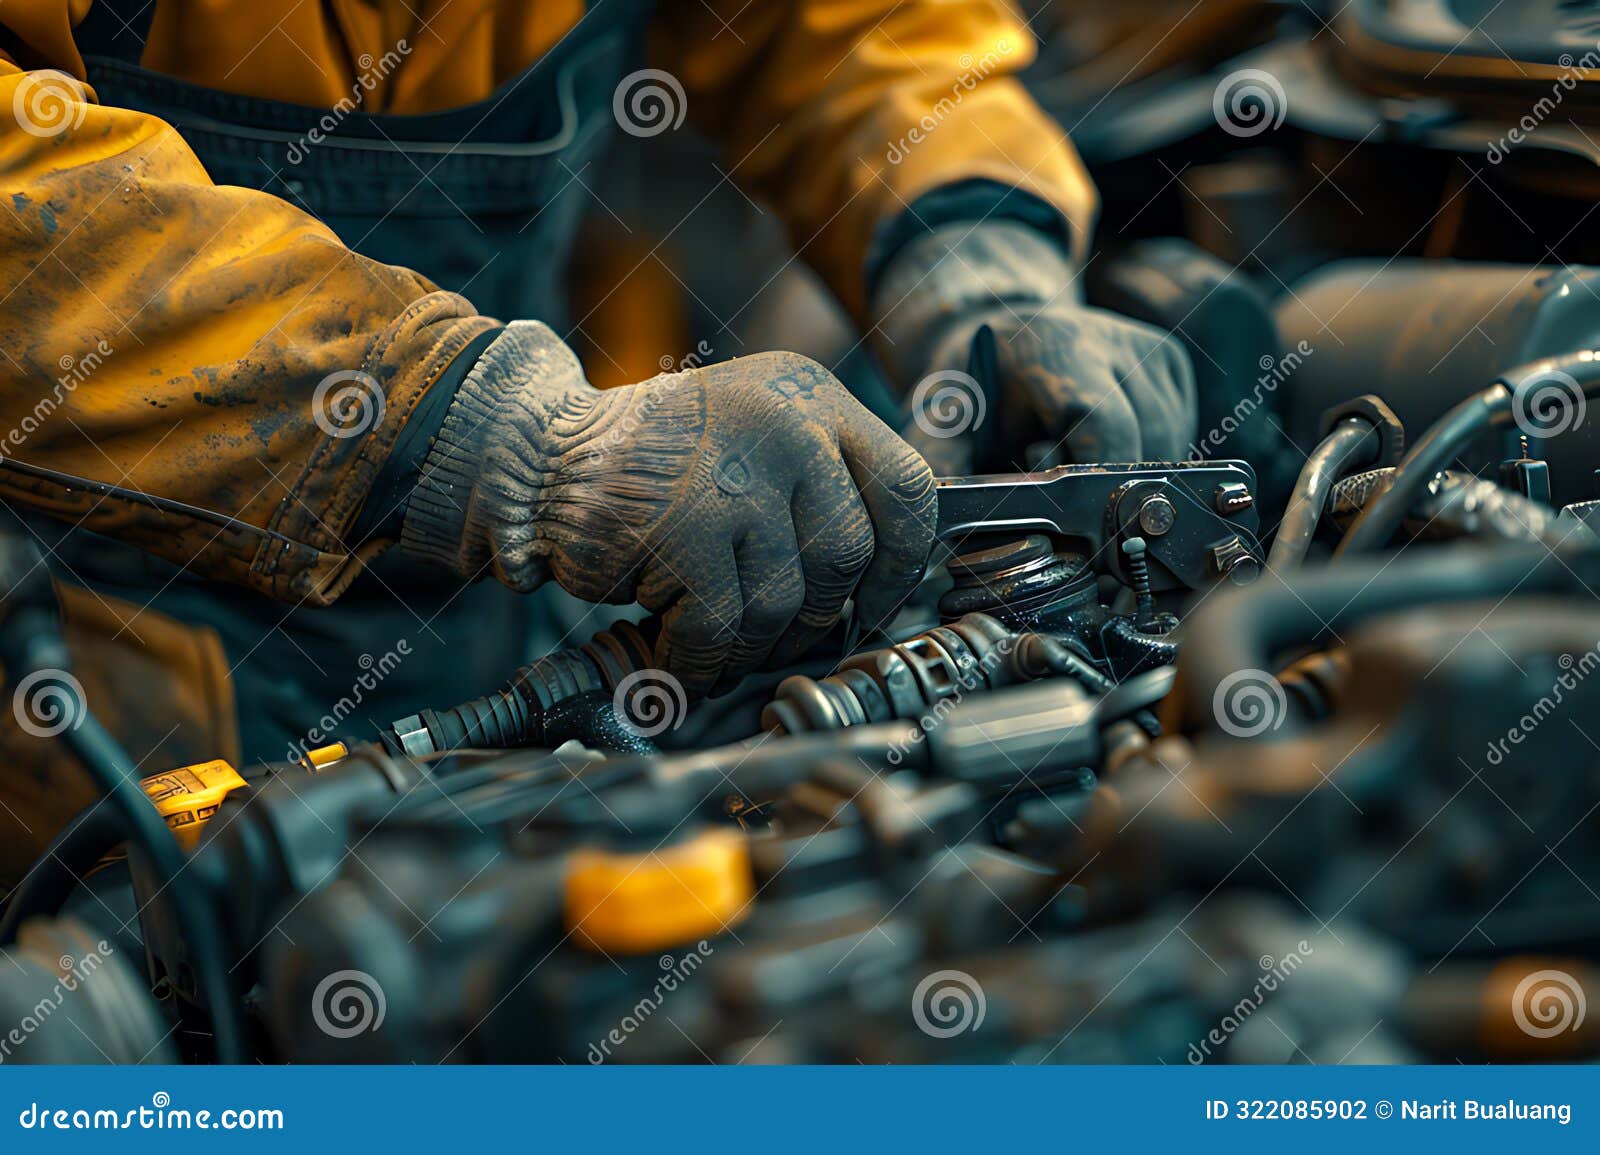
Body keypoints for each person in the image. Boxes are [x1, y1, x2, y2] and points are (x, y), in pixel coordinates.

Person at [0, 1, 1194, 873]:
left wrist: (968, 254)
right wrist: (522, 444)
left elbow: (848, 29)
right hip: (78, 689)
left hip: (477, 614)